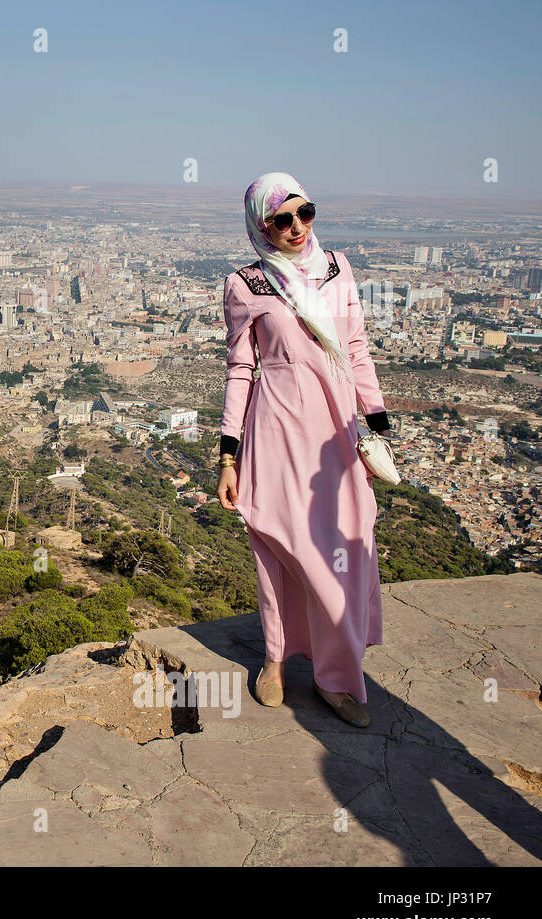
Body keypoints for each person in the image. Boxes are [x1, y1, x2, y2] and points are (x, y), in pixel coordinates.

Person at [216, 172, 393, 729]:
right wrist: (228, 455)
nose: (297, 227)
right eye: (281, 219)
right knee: (277, 545)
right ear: (260, 226)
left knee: (344, 549)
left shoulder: (338, 270)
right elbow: (242, 369)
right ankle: (275, 659)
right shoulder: (246, 285)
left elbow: (357, 348)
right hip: (275, 433)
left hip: (336, 437)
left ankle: (337, 678)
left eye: (305, 212)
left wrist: (378, 422)